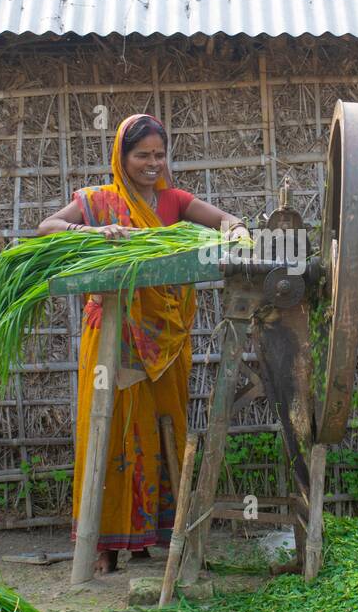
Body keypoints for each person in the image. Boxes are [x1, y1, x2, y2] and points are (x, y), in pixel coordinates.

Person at [35, 113, 247, 574]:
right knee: (111, 431)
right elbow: (47, 228)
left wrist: (235, 231)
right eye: (142, 155)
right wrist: (92, 232)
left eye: (159, 154)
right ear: (122, 157)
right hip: (113, 333)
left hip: (166, 338)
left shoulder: (174, 200)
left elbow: (228, 219)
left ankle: (160, 538)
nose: (153, 163)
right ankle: (105, 546)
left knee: (163, 427)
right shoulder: (101, 202)